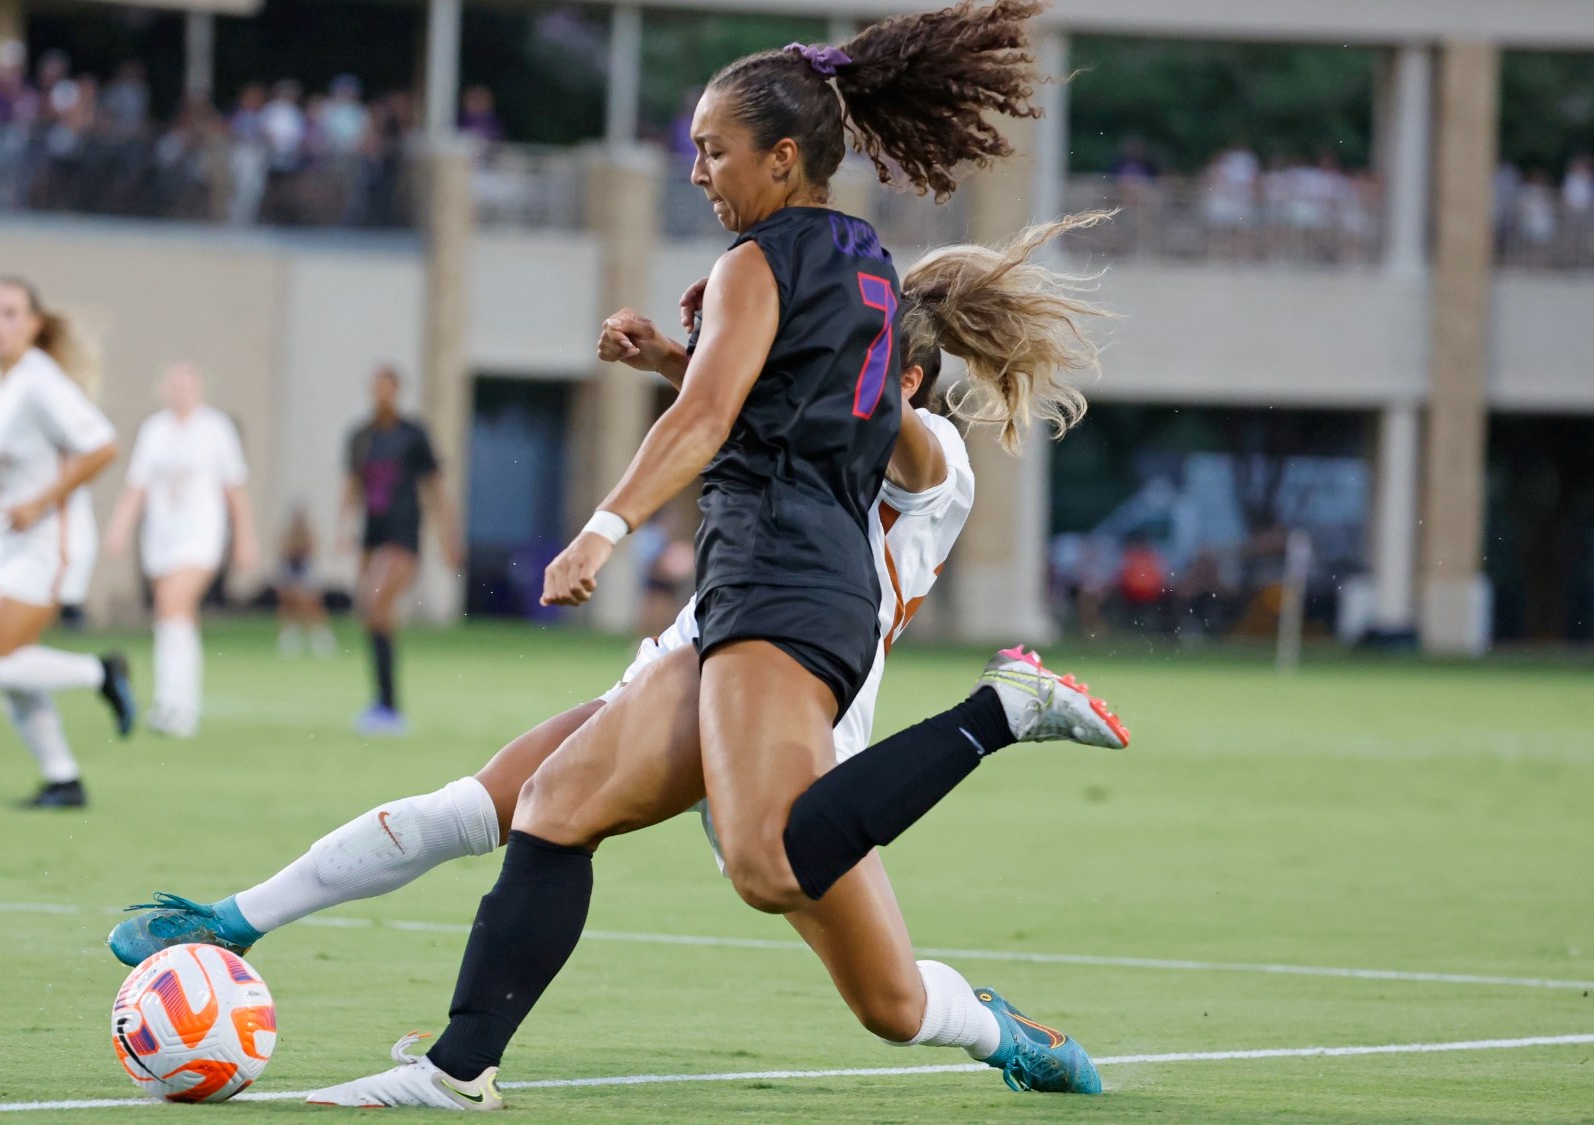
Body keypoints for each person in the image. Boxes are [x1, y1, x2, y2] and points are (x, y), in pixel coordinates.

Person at [110, 208, 1127, 1108]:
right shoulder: (813, 415)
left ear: (897, 375)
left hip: (796, 716)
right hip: (691, 660)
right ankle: (243, 924)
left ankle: (999, 772)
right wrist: (672, 363)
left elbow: (865, 429)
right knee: (495, 806)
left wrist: (803, 361)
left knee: (882, 995)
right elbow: (765, 403)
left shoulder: (936, 461)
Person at [304, 3, 1126, 1105]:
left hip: (783, 584)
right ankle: (456, 1070)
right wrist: (682, 360)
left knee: (766, 864)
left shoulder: (759, 264)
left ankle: (1004, 709)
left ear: (781, 157)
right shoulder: (861, 265)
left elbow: (710, 424)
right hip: (782, 579)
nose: (694, 169)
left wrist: (600, 527)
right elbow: (781, 411)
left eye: (710, 148)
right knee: (559, 804)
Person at [0, 277, 135, 808]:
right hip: (8, 539)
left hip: (50, 540)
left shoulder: (41, 381)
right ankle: (63, 779)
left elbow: (102, 446)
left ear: (34, 324)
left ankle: (101, 671)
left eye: (9, 313)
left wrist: (40, 501)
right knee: (12, 667)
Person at [102, 362, 258, 738]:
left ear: (200, 389)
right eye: (175, 385)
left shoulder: (216, 429)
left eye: (188, 385)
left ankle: (181, 710)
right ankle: (171, 703)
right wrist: (119, 527)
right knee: (172, 615)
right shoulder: (154, 430)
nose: (181, 392)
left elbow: (234, 488)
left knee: (173, 604)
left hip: (201, 536)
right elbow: (137, 485)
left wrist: (244, 537)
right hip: (161, 538)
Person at [339, 365, 460, 736]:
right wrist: (343, 526)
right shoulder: (360, 436)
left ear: (396, 391)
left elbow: (435, 485)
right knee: (374, 615)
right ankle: (383, 703)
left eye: (387, 388)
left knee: (375, 604)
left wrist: (447, 535)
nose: (381, 395)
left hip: (403, 534)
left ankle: (389, 705)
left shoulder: (412, 434)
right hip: (371, 534)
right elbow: (353, 485)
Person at [274, 506, 334, 656]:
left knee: (311, 601)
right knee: (287, 601)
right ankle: (290, 635)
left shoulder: (308, 533)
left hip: (305, 568)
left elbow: (311, 551)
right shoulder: (286, 534)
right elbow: (283, 551)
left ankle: (320, 636)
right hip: (289, 568)